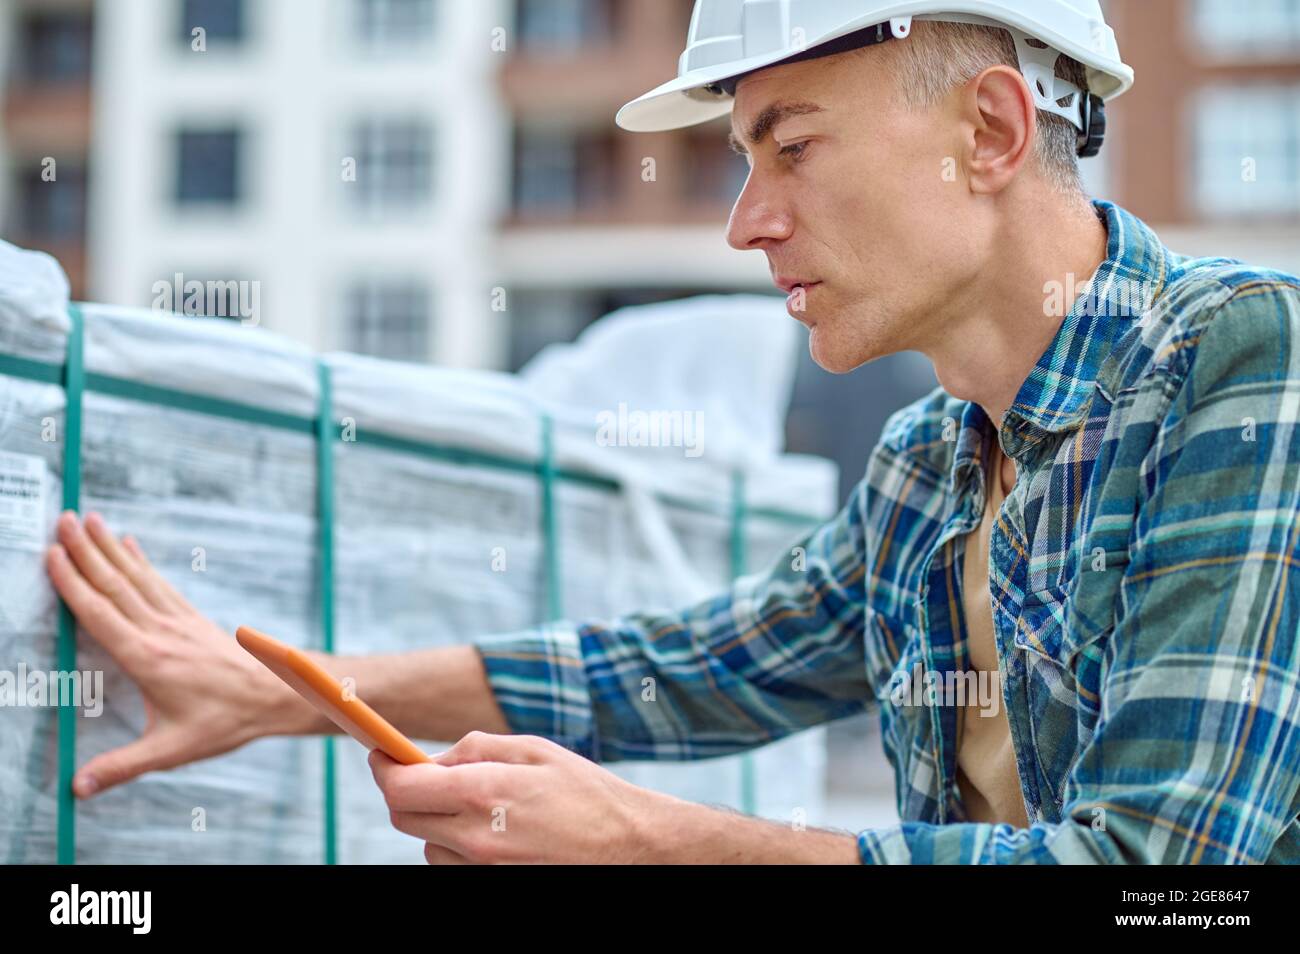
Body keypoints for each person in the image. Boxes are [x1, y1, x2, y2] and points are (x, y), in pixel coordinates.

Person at [46, 0, 1300, 863]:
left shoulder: (1236, 359)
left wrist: (644, 840)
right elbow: (696, 667)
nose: (746, 223)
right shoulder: (928, 467)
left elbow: (1165, 878)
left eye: (792, 148)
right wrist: (294, 696)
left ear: (989, 131)